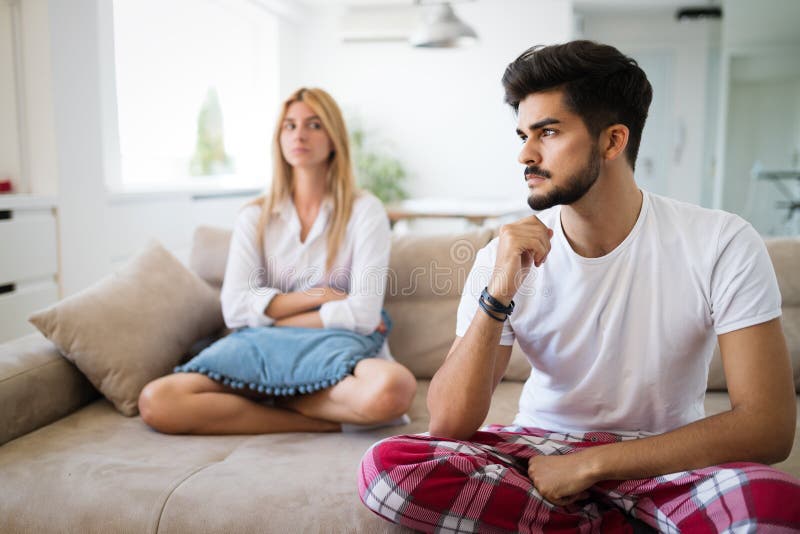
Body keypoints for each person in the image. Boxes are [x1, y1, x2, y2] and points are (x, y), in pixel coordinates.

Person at [358, 41, 800, 532]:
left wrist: (591, 466)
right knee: (389, 466)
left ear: (612, 142)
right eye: (524, 134)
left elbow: (768, 426)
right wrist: (499, 290)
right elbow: (448, 425)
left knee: (775, 505)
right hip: (539, 450)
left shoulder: (721, 241)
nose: (526, 153)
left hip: (667, 456)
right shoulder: (501, 256)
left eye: (548, 132)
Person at [139, 87, 416, 435]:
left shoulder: (365, 211)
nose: (299, 134)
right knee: (157, 399)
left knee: (394, 389)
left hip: (332, 347)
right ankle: (309, 419)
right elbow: (234, 310)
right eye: (289, 125)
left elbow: (362, 315)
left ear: (334, 139)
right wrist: (321, 296)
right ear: (279, 139)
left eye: (314, 125)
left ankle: (277, 396)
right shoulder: (254, 216)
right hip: (260, 349)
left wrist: (272, 316)